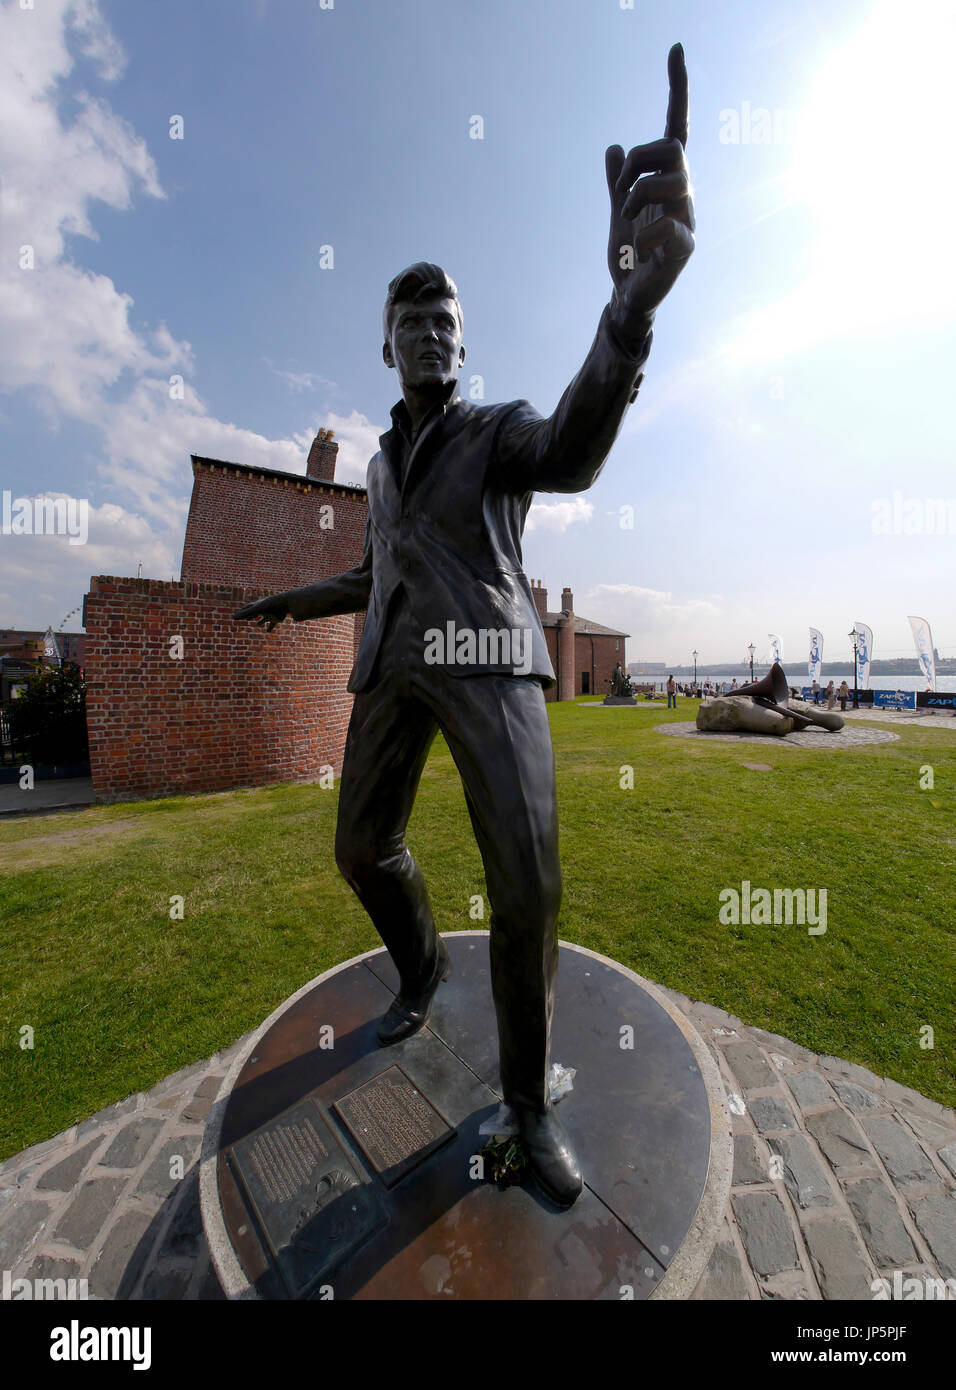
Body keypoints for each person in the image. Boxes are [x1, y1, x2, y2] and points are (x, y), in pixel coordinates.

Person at [233, 48, 696, 1210]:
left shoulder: (496, 431)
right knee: (358, 849)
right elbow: (377, 564)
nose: (432, 336)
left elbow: (574, 451)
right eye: (412, 324)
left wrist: (625, 315)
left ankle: (529, 1112)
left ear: (458, 340)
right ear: (383, 345)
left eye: (445, 322)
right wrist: (307, 598)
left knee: (528, 893)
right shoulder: (382, 467)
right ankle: (424, 966)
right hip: (391, 672)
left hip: (488, 663)